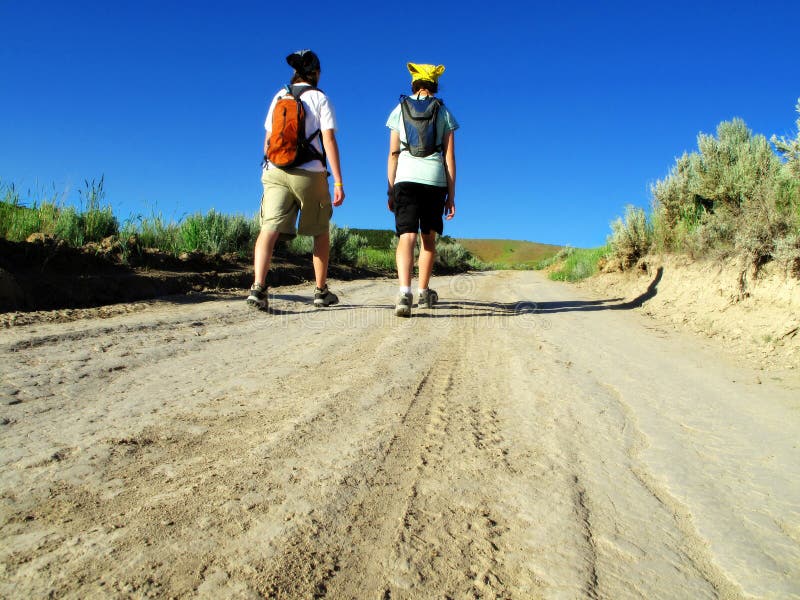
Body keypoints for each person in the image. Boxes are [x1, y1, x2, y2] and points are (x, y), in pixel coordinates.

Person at [246, 49, 345, 311]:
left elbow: (269, 140)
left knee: (269, 229)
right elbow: (328, 140)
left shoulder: (279, 96)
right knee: (320, 231)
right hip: (310, 173)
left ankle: (258, 287)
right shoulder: (320, 98)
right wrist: (338, 181)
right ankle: (321, 291)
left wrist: (270, 167)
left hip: (275, 170)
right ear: (316, 73)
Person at [386, 62, 458, 317]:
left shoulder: (399, 109)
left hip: (405, 178)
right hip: (434, 180)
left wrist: (390, 189)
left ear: (413, 83)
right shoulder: (444, 111)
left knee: (406, 237)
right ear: (435, 85)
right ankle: (424, 293)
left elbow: (393, 154)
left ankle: (404, 293)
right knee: (428, 239)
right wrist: (451, 195)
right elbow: (449, 157)